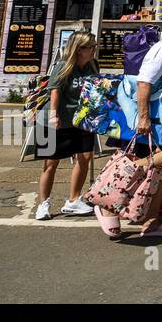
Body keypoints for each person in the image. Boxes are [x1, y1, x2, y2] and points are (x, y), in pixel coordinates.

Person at [95, 11, 162, 239]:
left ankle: (151, 221)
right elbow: (144, 83)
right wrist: (143, 118)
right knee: (136, 165)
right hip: (153, 122)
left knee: (161, 168)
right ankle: (106, 206)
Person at [31, 32, 99, 220]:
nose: (94, 49)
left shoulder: (92, 65)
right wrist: (54, 115)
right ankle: (43, 204)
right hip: (53, 118)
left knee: (85, 156)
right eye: (91, 47)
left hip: (80, 119)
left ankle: (73, 200)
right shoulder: (64, 65)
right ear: (79, 50)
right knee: (51, 164)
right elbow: (54, 91)